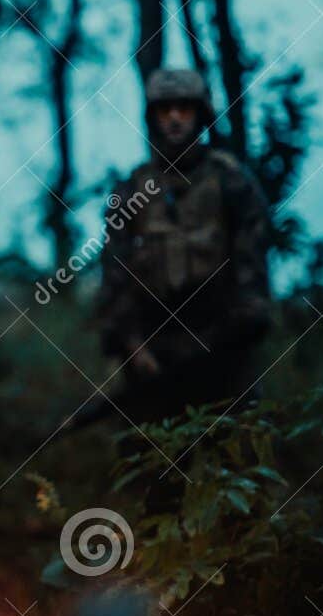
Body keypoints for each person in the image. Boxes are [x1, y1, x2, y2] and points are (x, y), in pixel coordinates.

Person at [95, 68, 272, 424]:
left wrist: (231, 336)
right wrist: (132, 345)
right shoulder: (132, 189)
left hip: (222, 348)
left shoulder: (231, 182)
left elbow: (251, 270)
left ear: (201, 114)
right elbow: (115, 273)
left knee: (234, 461)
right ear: (153, 118)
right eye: (165, 110)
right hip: (153, 352)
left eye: (184, 108)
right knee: (150, 465)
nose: (174, 118)